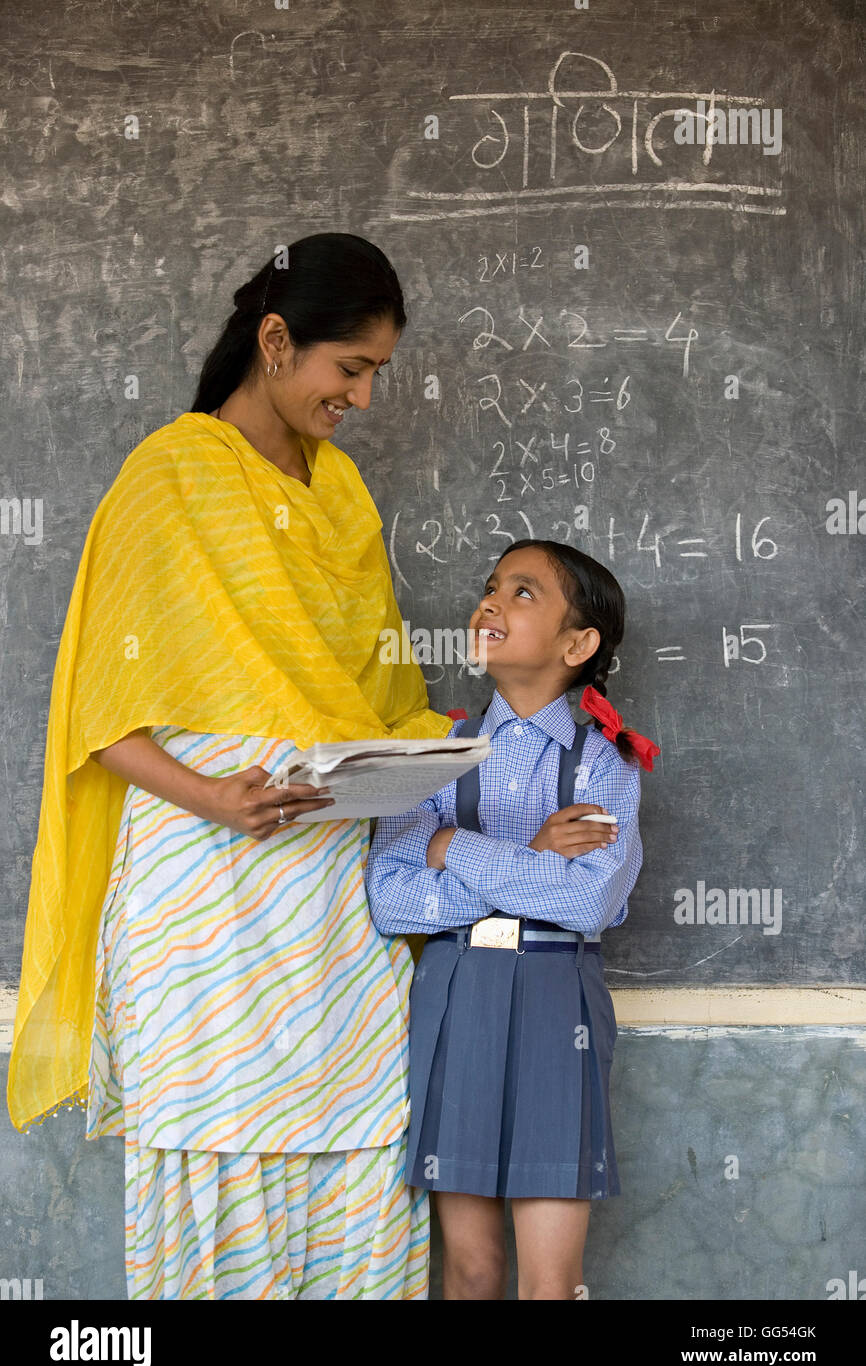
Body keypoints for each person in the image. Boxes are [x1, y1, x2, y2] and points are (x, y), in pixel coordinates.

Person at [7, 232, 455, 1299]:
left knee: (360, 1134)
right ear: (273, 339)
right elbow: (99, 716)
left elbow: (372, 694)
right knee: (212, 1133)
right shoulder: (168, 475)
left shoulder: (341, 491)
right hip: (203, 877)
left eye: (375, 375)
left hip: (333, 882)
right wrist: (214, 794)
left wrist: (436, 751)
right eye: (349, 368)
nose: (361, 395)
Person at [365, 539, 660, 1300]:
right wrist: (531, 853)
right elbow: (391, 899)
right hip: (456, 991)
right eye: (491, 587)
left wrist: (450, 845)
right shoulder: (433, 754)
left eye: (523, 593)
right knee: (469, 1269)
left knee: (550, 1280)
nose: (491, 602)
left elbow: (589, 900)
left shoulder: (607, 761)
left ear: (578, 642)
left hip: (560, 997)